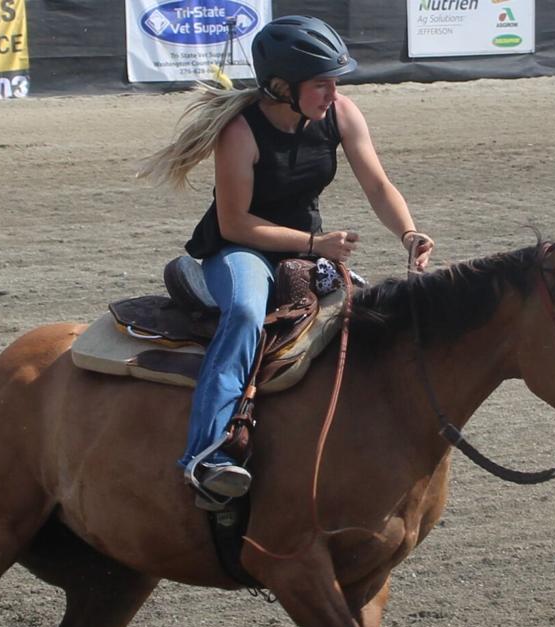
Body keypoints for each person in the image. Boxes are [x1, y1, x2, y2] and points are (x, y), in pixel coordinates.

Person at [140, 15, 434, 506]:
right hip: (240, 250)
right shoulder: (240, 132)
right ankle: (205, 455)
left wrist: (408, 232)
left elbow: (378, 185)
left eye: (335, 81)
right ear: (281, 86)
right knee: (247, 314)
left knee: (368, 316)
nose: (332, 92)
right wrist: (316, 245)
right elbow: (235, 224)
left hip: (305, 245)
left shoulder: (341, 113)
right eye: (321, 83)